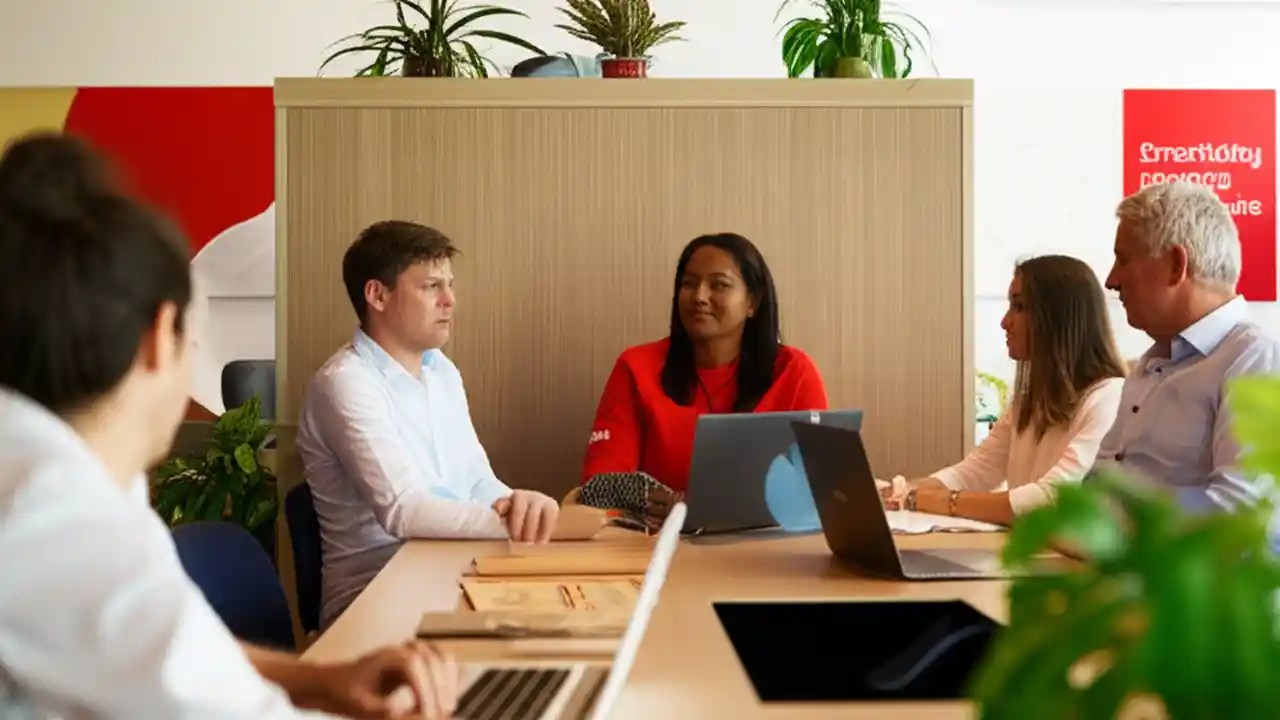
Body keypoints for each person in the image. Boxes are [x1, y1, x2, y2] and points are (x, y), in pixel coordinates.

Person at [0, 131, 458, 718]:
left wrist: (322, 680)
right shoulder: (57, 517)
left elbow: (173, 654)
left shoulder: (55, 478)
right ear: (159, 340)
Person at [297, 220, 560, 629]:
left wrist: (520, 504)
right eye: (431, 286)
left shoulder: (442, 372)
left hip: (453, 570)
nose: (450, 301)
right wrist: (511, 523)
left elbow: (476, 481)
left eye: (449, 285)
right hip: (372, 593)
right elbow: (403, 510)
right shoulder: (345, 383)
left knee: (557, 622)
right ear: (377, 295)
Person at [578, 232, 829, 516]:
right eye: (689, 283)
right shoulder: (636, 368)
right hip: (652, 544)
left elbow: (818, 488)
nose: (699, 296)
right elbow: (598, 489)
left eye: (719, 285)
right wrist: (656, 505)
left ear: (752, 302)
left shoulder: (793, 371)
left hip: (765, 547)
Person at [880, 255, 1128, 525]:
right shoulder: (1029, 398)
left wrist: (937, 500)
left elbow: (1049, 500)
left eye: (1019, 306)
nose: (1005, 322)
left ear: (1057, 317)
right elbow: (976, 471)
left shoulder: (1109, 399)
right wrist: (903, 491)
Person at [1093, 181, 1280, 512]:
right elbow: (1098, 485)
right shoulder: (1150, 366)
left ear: (1176, 265)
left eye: (1123, 260)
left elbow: (1238, 512)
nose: (1111, 280)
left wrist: (1110, 533)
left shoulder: (1256, 362)